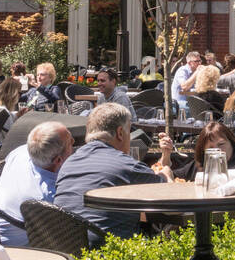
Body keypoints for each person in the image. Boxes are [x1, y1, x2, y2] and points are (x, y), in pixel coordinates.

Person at [53, 103, 163, 241]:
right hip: (110, 255)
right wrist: (167, 173)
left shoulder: (68, 163)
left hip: (66, 248)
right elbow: (167, 194)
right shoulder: (127, 166)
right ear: (120, 133)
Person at [0, 121, 74, 246]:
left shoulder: (19, 153)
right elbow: (62, 234)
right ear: (58, 160)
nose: (74, 144)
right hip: (22, 253)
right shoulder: (47, 195)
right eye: (71, 143)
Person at [154, 121, 235, 182]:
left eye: (221, 144)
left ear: (232, 144)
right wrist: (166, 154)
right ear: (203, 150)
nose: (216, 151)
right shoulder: (202, 164)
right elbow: (171, 175)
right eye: (211, 148)